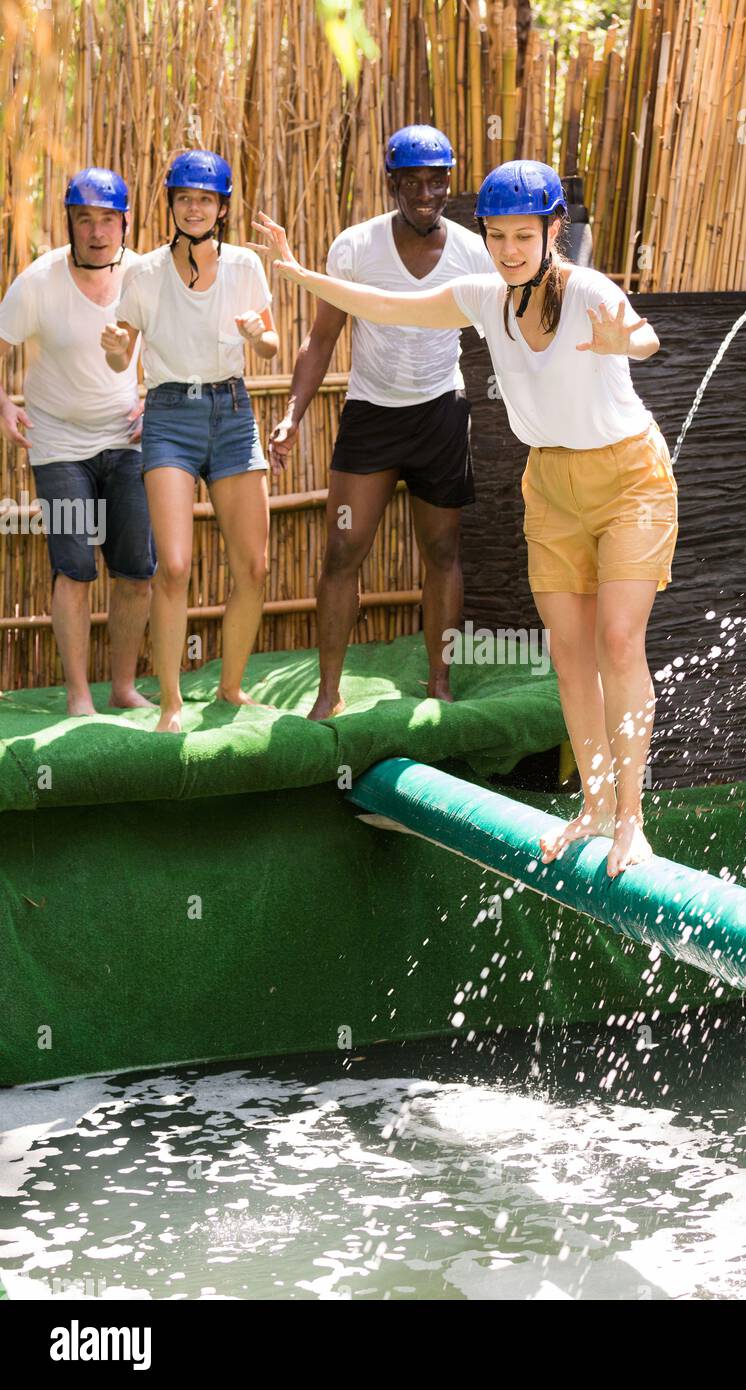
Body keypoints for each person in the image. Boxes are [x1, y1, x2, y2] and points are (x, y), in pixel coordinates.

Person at [251, 159, 677, 877]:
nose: (510, 249)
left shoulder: (587, 293)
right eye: (498, 235)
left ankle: (632, 819)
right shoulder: (483, 296)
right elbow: (382, 305)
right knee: (568, 653)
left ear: (552, 232)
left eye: (524, 235)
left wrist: (622, 342)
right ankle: (594, 808)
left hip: (629, 477)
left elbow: (644, 339)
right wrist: (298, 275)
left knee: (615, 638)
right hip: (550, 483)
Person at [267, 124, 492, 719]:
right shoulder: (355, 249)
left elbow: (510, 338)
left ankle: (439, 685)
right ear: (391, 183)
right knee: (342, 549)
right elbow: (319, 341)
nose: (426, 192)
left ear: (449, 182)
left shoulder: (474, 253)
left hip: (441, 414)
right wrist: (292, 413)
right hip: (371, 416)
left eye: (437, 180)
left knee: (442, 550)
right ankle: (327, 693)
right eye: (412, 180)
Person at [103, 149, 279, 734]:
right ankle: (173, 700)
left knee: (253, 566)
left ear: (222, 207)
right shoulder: (144, 273)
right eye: (184, 198)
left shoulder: (247, 268)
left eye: (205, 198)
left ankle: (230, 687)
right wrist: (110, 345)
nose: (195, 207)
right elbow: (122, 353)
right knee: (173, 566)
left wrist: (260, 337)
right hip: (170, 415)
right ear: (171, 205)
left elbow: (272, 346)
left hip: (233, 412)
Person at [0, 167, 155, 715]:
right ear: (69, 222)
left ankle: (122, 687)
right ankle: (78, 694)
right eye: (84, 219)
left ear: (125, 222)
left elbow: (182, 345)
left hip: (128, 441)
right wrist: (3, 404)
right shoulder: (39, 280)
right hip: (60, 445)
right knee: (75, 568)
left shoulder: (145, 274)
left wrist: (152, 400)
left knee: (137, 572)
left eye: (107, 219)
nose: (96, 231)